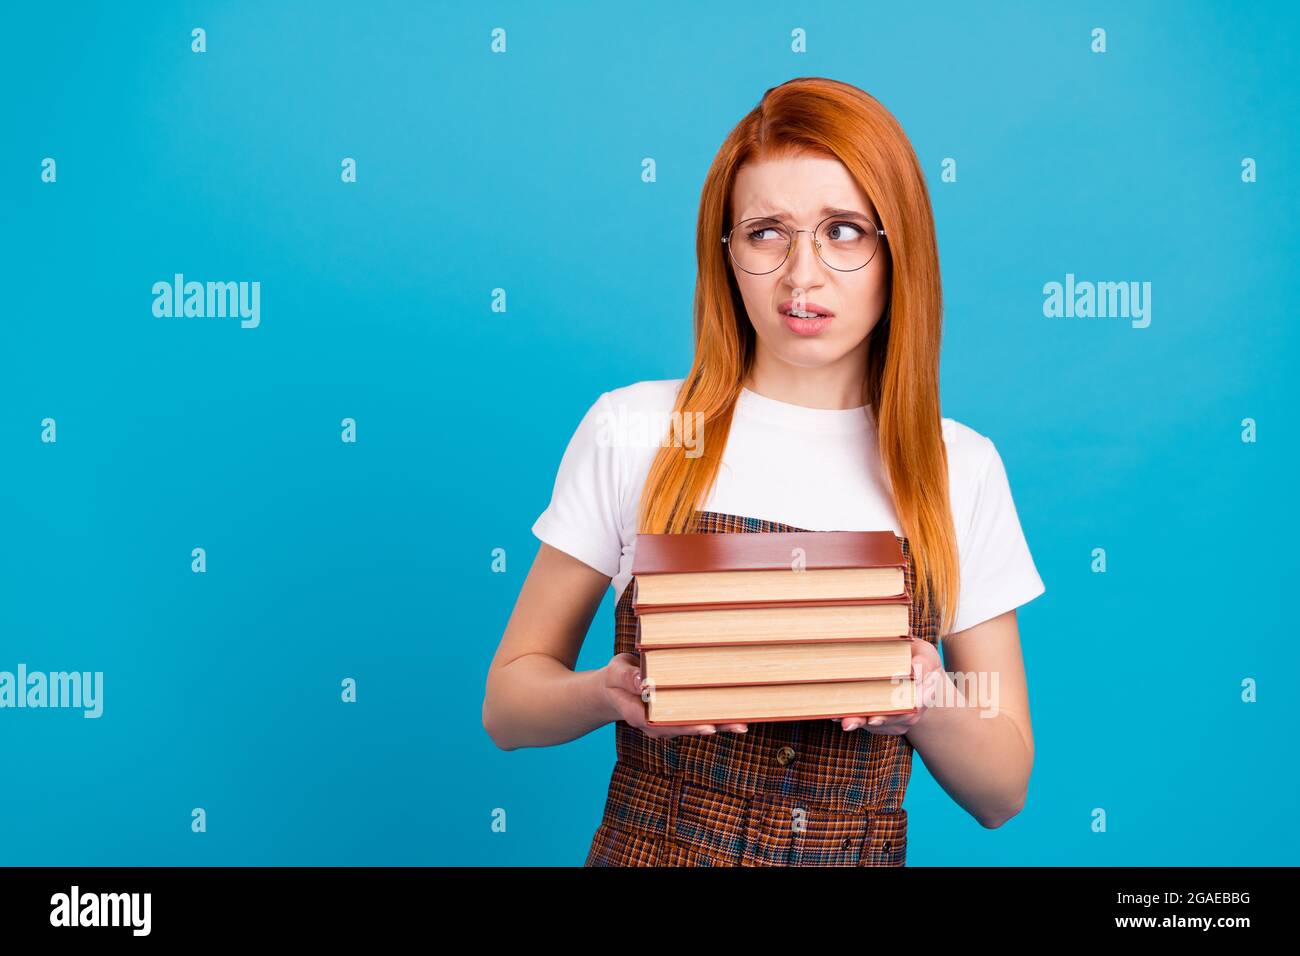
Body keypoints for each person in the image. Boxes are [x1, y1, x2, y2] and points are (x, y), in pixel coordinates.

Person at [482, 76, 1046, 866]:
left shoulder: (961, 468)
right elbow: (508, 705)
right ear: (727, 251)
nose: (801, 277)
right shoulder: (636, 429)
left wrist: (931, 701)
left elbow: (1004, 791)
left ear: (898, 248)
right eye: (765, 233)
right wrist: (604, 693)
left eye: (844, 232)